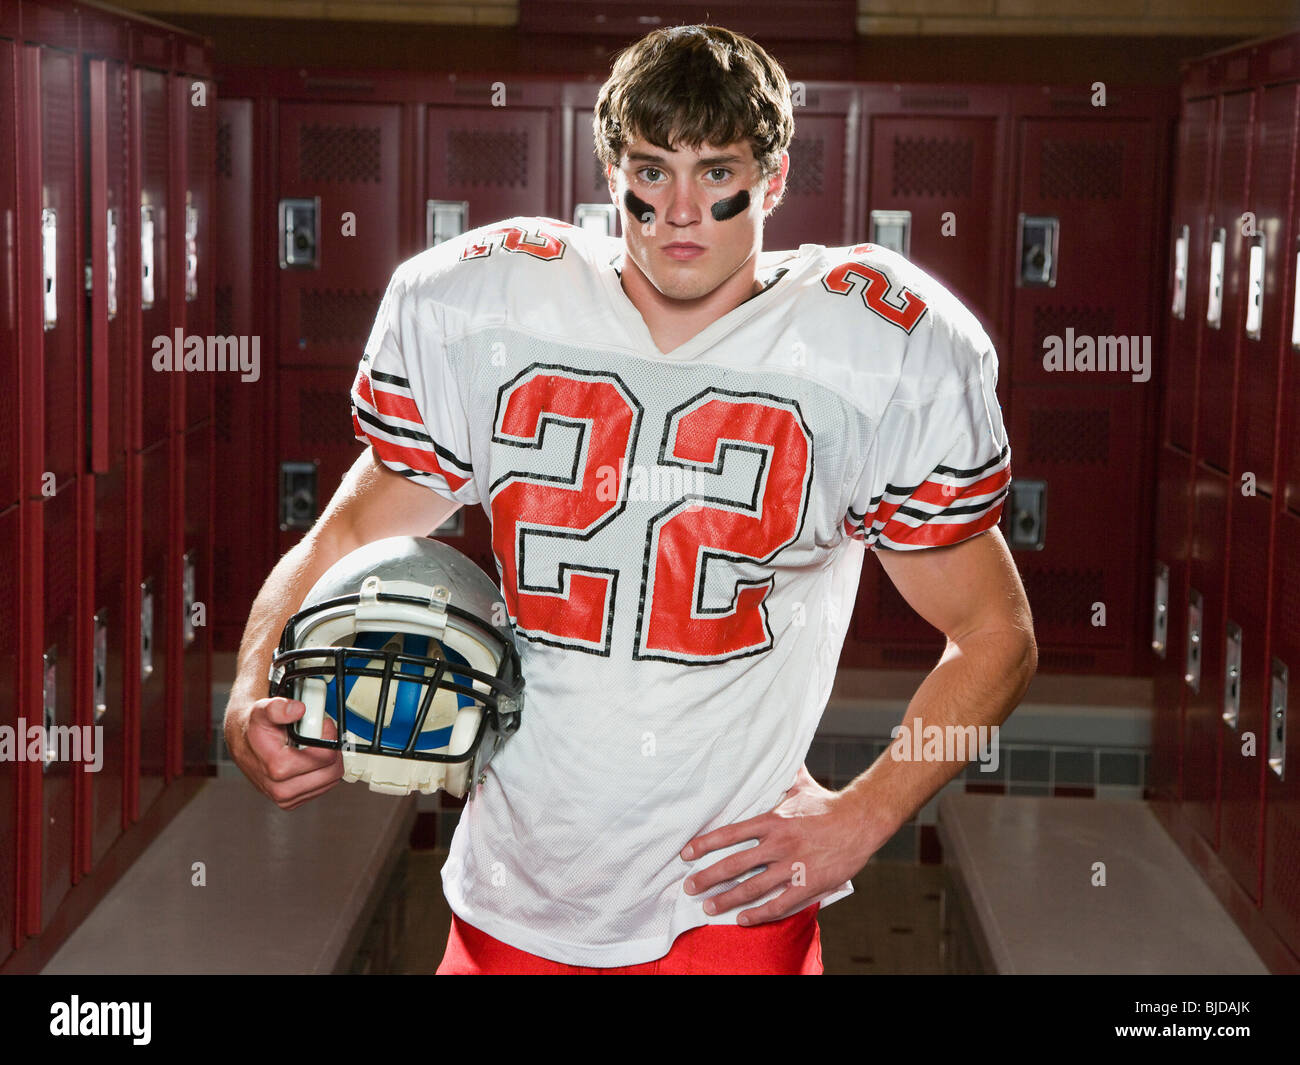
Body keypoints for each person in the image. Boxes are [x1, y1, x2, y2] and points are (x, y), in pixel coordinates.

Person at [223, 23, 1037, 975]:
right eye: (651, 171)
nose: (680, 209)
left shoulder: (870, 344)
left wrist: (867, 814)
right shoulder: (499, 304)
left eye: (715, 171)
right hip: (511, 891)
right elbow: (357, 524)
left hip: (728, 912)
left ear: (773, 179)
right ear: (611, 170)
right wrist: (249, 684)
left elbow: (996, 633)